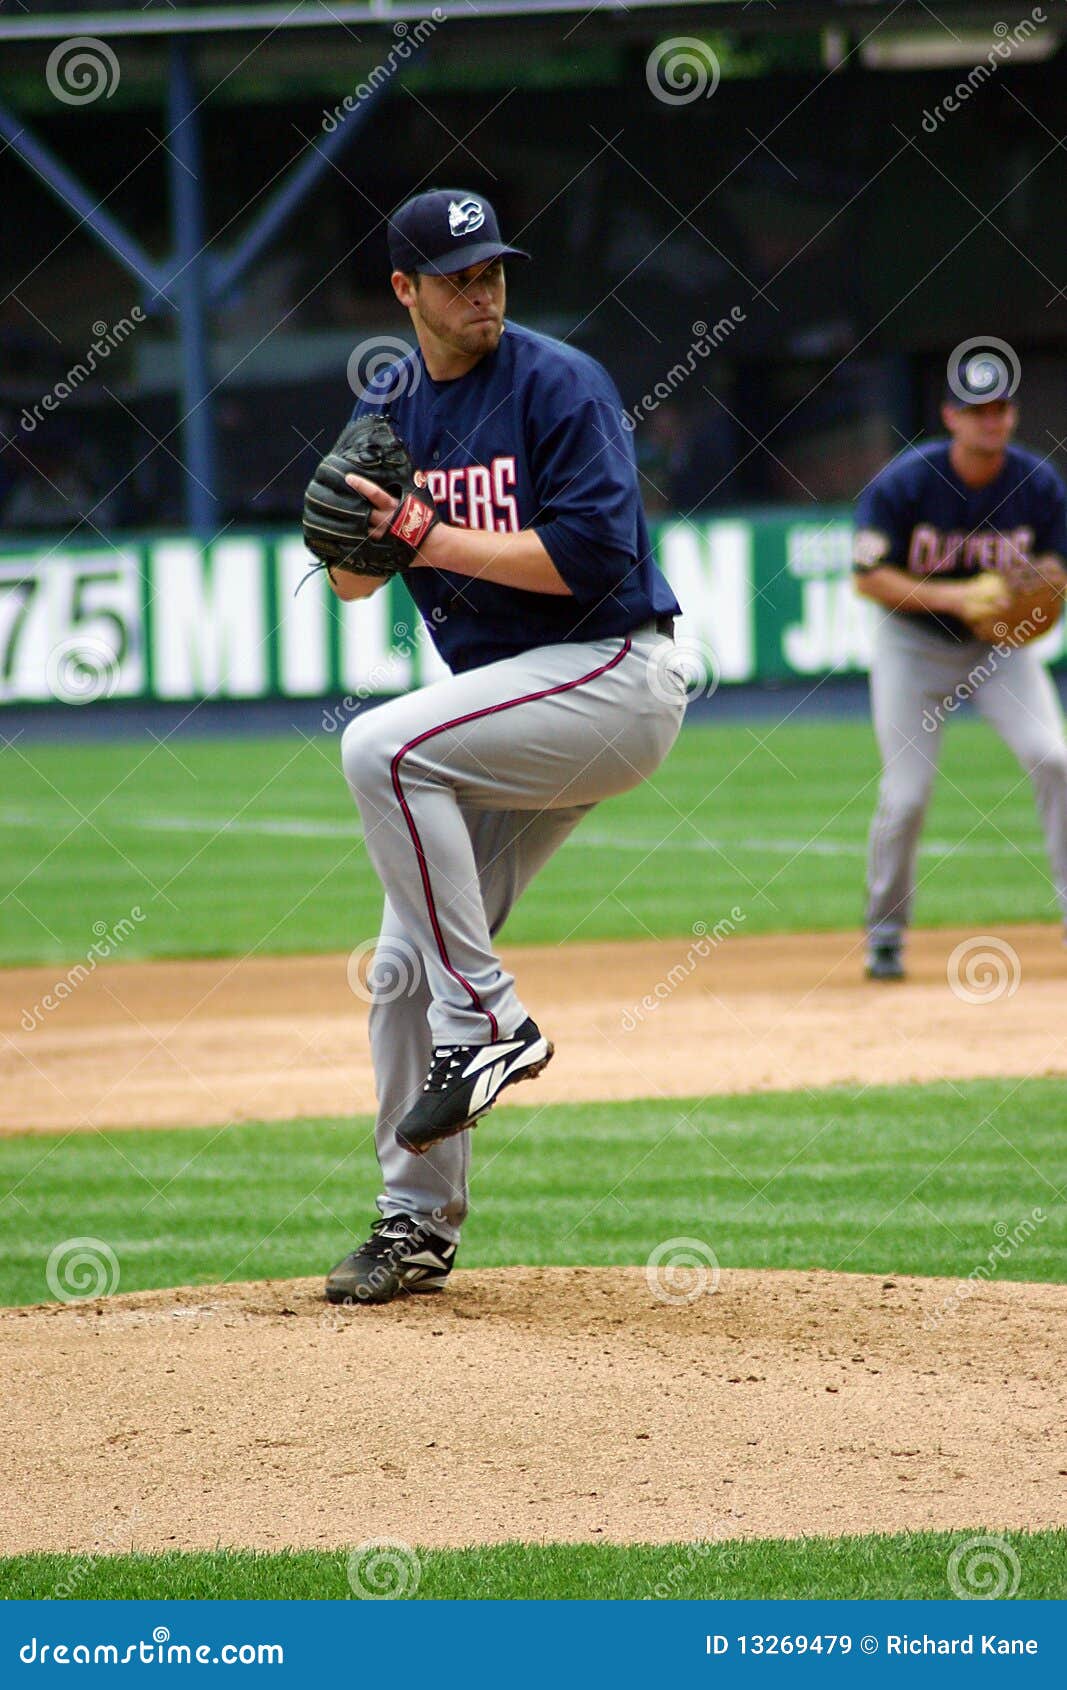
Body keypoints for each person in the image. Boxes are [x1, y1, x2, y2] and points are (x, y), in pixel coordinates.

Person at [322, 188, 686, 1303]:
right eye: (456, 278)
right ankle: (414, 1224)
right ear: (404, 290)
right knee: (399, 971)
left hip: (610, 675)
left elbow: (590, 556)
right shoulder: (393, 409)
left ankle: (487, 1019)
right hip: (511, 713)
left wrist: (428, 534)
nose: (481, 292)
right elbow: (352, 585)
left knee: (381, 748)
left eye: (491, 271)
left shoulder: (558, 383)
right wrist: (354, 538)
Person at [853, 352, 1067, 980]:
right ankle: (885, 935)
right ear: (951, 417)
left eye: (999, 408)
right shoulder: (905, 482)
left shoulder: (1039, 483)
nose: (990, 421)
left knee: (1055, 760)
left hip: (999, 650)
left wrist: (1045, 581)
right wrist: (958, 596)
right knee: (906, 796)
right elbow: (868, 577)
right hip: (912, 648)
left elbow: (1058, 567)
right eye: (976, 411)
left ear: (1012, 415)